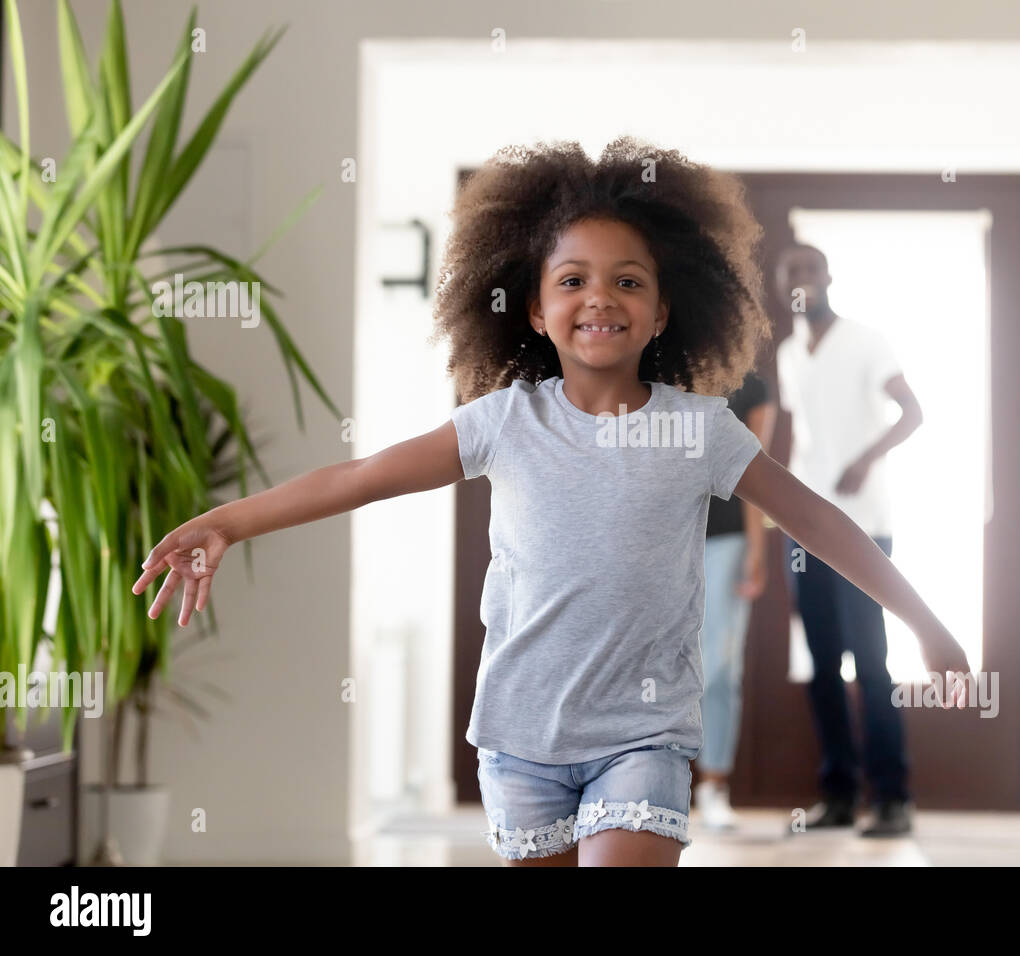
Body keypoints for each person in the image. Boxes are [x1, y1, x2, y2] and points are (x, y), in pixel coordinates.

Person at [131, 138, 969, 868]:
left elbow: (818, 521)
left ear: (663, 311)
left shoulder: (701, 433)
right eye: (573, 280)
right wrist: (226, 520)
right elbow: (362, 477)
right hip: (521, 743)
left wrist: (925, 624)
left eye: (627, 281)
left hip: (646, 736)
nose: (600, 296)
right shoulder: (502, 423)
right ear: (535, 309)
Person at [774, 243, 926, 837]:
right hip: (805, 529)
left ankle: (893, 798)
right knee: (821, 662)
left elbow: (913, 413)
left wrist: (866, 460)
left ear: (828, 277)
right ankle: (838, 795)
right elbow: (804, 441)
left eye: (810, 270)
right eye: (791, 274)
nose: (802, 281)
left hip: (863, 523)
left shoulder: (867, 340)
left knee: (872, 661)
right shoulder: (790, 353)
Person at [695, 371, 776, 829]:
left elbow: (758, 472)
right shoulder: (655, 368)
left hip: (727, 541)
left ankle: (713, 785)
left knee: (721, 669)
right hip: (662, 538)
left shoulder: (752, 386)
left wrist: (757, 550)